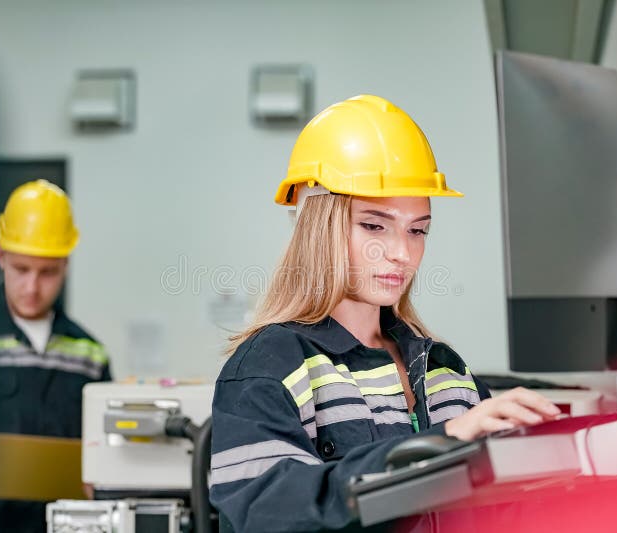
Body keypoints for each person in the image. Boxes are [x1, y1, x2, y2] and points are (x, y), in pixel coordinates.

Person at [209, 95, 561, 532]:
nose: (401, 253)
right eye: (374, 225)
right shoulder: (270, 366)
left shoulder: (445, 371)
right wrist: (441, 444)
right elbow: (267, 514)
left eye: (417, 230)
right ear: (319, 225)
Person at [0, 179, 112, 533]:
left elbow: (105, 451)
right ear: (1, 256)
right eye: (22, 269)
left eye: (47, 272)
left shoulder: (90, 354)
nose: (32, 287)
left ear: (65, 264)